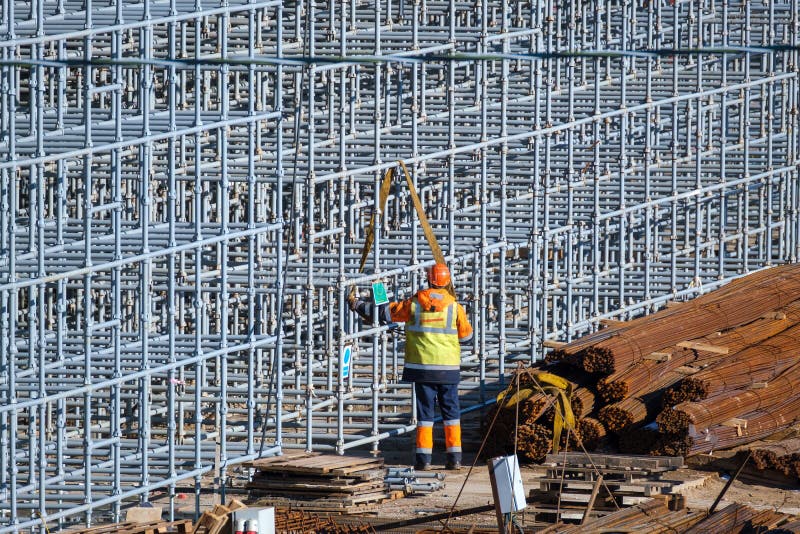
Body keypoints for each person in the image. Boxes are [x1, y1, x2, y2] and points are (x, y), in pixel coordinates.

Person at [349, 263, 473, 470]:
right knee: (451, 414)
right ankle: (455, 459)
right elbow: (467, 337)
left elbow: (385, 313)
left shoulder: (415, 303)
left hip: (422, 368)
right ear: (447, 282)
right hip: (448, 370)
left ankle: (423, 460)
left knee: (425, 416)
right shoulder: (454, 307)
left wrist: (357, 304)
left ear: (429, 280)